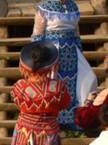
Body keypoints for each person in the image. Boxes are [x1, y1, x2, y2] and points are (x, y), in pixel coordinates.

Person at [32, 0, 95, 129]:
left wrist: (80, 51)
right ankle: (52, 118)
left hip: (71, 51)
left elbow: (76, 33)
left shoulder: (73, 6)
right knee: (53, 82)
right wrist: (36, 57)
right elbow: (38, 34)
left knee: (87, 78)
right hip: (52, 50)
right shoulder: (44, 7)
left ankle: (75, 118)